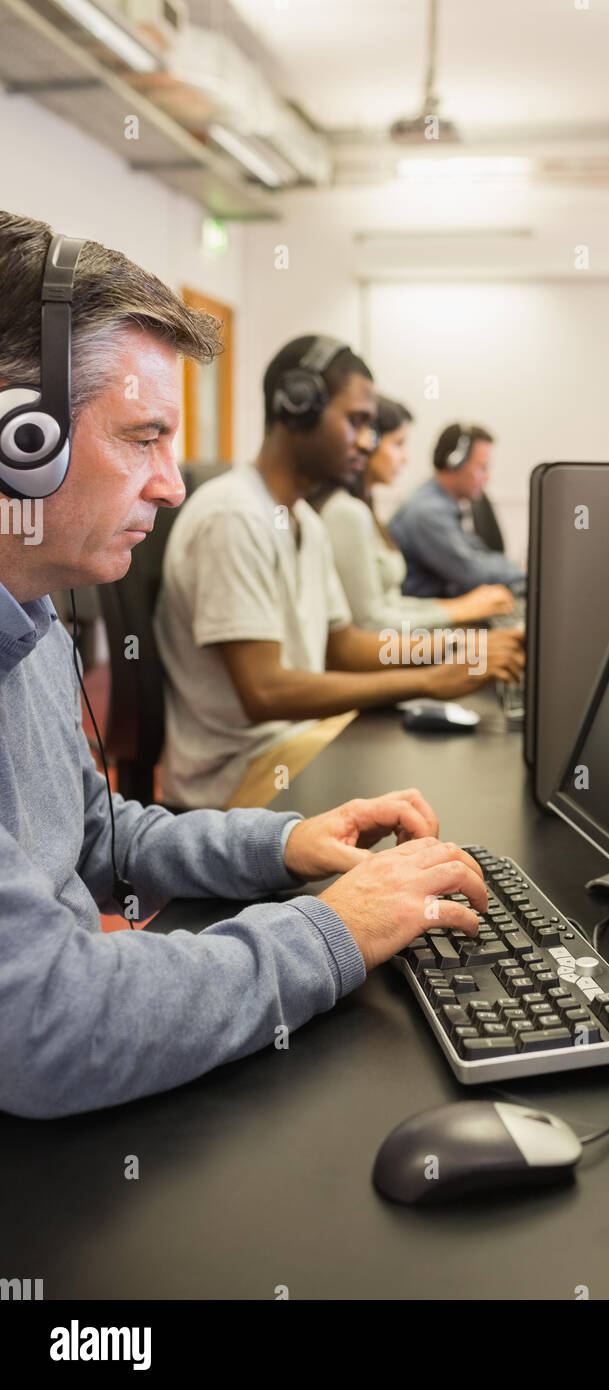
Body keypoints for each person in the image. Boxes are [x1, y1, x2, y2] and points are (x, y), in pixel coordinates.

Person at [0, 212, 489, 1120]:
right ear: (22, 443)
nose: (172, 483)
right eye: (142, 438)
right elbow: (45, 1025)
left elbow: (99, 837)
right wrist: (337, 927)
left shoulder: (28, 616)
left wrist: (281, 844)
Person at [155, 340, 523, 811]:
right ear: (297, 407)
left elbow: (345, 646)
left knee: (445, 776)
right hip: (238, 776)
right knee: (440, 794)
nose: (368, 442)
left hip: (297, 742)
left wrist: (462, 650)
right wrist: (430, 679)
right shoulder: (233, 516)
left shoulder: (304, 519)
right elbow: (264, 691)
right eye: (357, 422)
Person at [312, 395, 514, 631]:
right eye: (398, 443)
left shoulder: (365, 509)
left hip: (400, 635)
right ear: (369, 443)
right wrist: (460, 611)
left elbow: (390, 604)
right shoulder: (352, 513)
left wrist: (461, 609)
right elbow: (371, 624)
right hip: (388, 648)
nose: (405, 458)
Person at [389, 422, 526, 599]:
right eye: (481, 468)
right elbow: (473, 573)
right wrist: (524, 571)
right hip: (422, 619)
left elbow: (478, 555)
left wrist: (518, 568)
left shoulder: (443, 504)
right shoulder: (428, 512)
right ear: (454, 462)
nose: (487, 478)